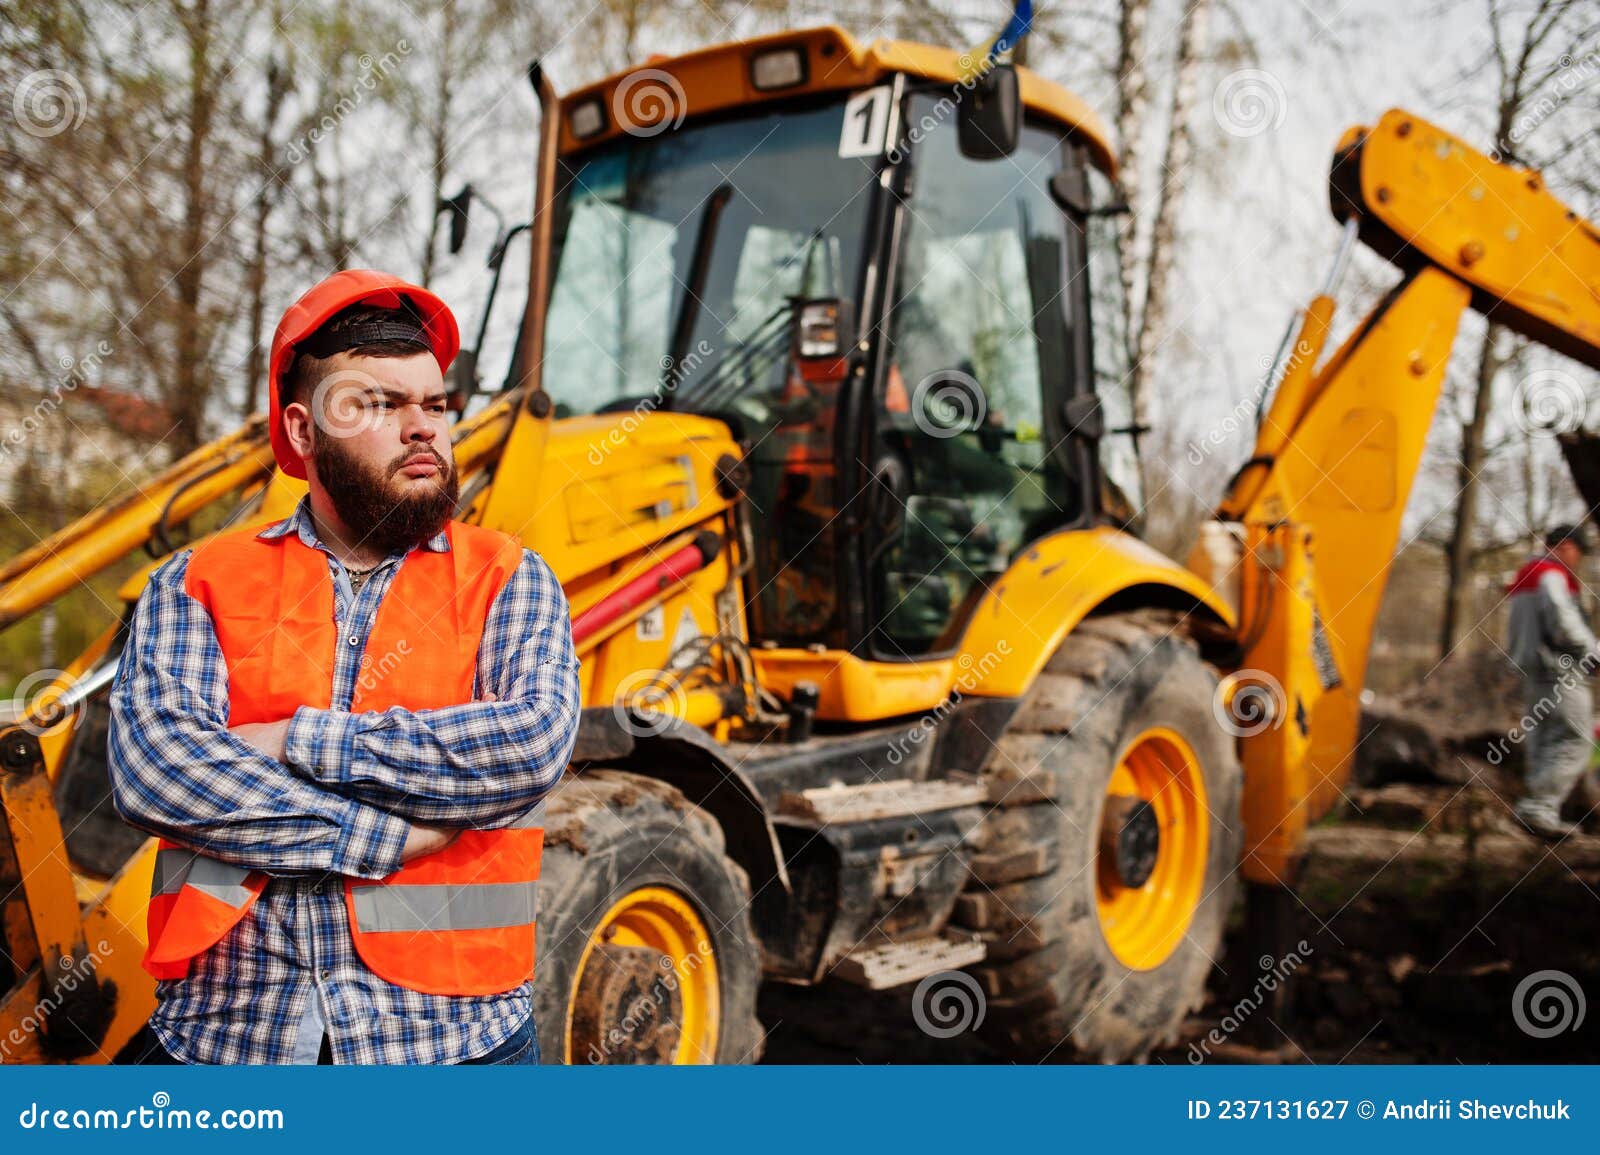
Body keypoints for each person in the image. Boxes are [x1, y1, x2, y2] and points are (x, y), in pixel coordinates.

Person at [107, 270, 581, 1064]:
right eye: (380, 405)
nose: (422, 428)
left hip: (456, 1045)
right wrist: (381, 836)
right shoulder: (198, 580)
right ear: (302, 431)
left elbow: (528, 747)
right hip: (229, 1038)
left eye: (433, 405)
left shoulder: (510, 576)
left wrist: (296, 740)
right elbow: (157, 770)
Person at [1505, 523, 1597, 841]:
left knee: (1543, 742)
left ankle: (1537, 814)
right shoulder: (1552, 576)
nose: (1578, 561)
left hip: (1533, 671)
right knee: (1575, 740)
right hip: (1559, 670)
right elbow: (1563, 623)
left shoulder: (1526, 573)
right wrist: (1593, 653)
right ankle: (1539, 809)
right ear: (1568, 546)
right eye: (1580, 553)